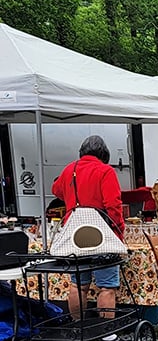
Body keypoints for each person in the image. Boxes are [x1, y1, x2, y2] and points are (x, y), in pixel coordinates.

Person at [52, 135, 125, 323]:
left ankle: (79, 328)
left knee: (78, 285)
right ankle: (107, 335)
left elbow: (56, 190)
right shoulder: (105, 171)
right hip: (101, 236)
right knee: (106, 287)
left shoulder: (69, 169)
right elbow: (114, 206)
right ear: (104, 153)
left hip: (74, 237)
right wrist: (118, 233)